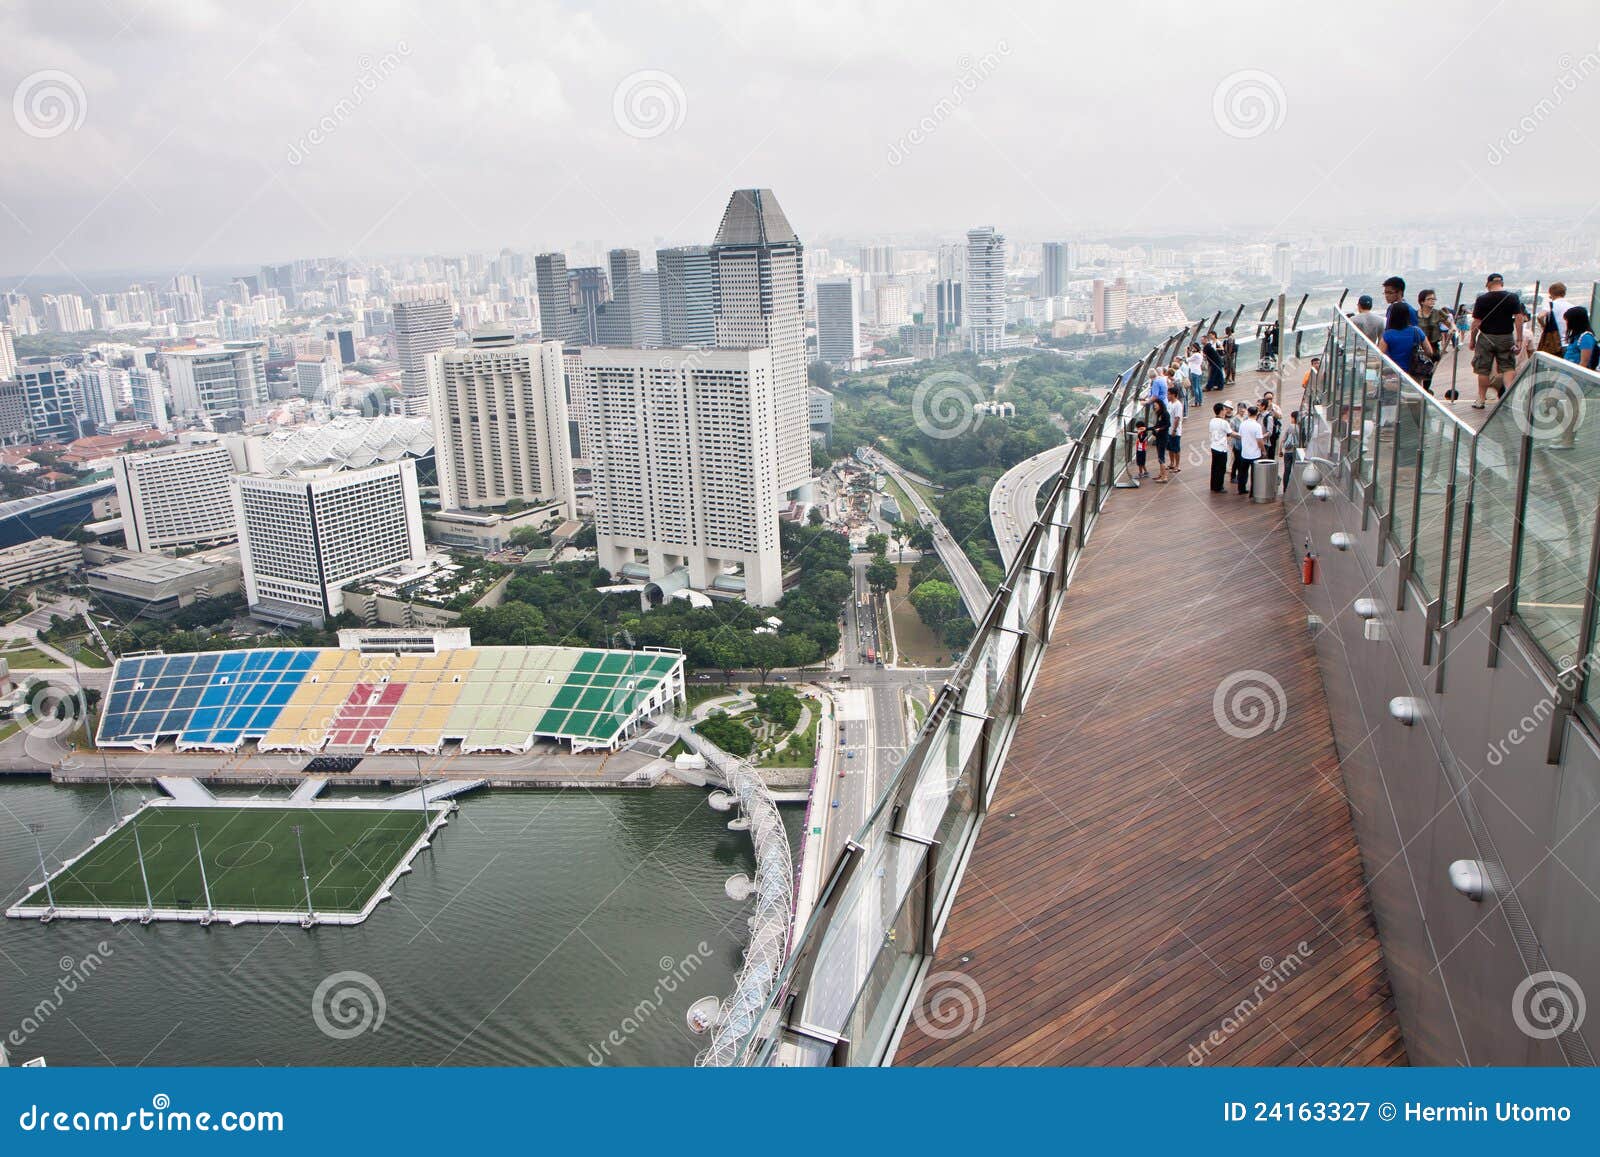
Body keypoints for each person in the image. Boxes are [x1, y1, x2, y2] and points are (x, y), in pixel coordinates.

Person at [1469, 273, 1526, 409]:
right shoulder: (1512, 297)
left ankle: (1481, 399)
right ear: (1502, 283)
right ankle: (1509, 397)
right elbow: (1519, 318)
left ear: (1488, 284)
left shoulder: (1482, 299)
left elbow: (1476, 322)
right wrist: (1519, 339)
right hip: (1506, 336)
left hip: (1486, 337)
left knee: (1483, 369)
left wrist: (1472, 340)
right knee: (1508, 367)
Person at [1379, 301, 1434, 379]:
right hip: (1415, 374)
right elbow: (1429, 352)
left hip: (1395, 374)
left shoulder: (1387, 335)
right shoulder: (1416, 330)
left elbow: (1380, 356)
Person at [1416, 289, 1447, 394]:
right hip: (1419, 347)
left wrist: (1452, 328)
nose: (1432, 301)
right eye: (1429, 299)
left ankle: (1425, 390)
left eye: (1434, 299)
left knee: (1429, 372)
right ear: (1422, 301)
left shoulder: (1438, 313)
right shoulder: (1415, 314)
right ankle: (1420, 391)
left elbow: (1450, 323)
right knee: (1418, 371)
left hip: (1433, 346)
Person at [1236, 404, 1265, 496]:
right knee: (1254, 474)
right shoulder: (1257, 426)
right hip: (1255, 454)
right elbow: (1260, 440)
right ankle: (1253, 492)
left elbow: (1240, 435)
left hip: (1244, 453)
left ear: (1248, 413)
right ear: (1257, 414)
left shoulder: (1243, 424)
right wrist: (1263, 450)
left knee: (1242, 472)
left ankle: (1241, 489)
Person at [1540, 281, 1572, 355]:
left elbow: (1540, 316)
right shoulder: (1571, 306)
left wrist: (1544, 326)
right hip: (1568, 343)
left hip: (1554, 343)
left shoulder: (1550, 305)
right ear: (1564, 293)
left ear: (1551, 294)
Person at [1208, 403, 1232, 493]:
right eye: (1224, 409)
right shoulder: (1224, 422)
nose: (1226, 411)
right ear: (1221, 411)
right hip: (1222, 448)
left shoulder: (1212, 421)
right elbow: (1230, 433)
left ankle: (1213, 485)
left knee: (1214, 467)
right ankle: (1219, 487)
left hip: (1214, 446)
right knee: (1221, 468)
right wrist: (1241, 436)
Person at [1563, 305, 1597, 369]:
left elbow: (1584, 363)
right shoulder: (1576, 336)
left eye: (1567, 320)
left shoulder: (1586, 337)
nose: (1566, 323)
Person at [1150, 397, 1171, 482]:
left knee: (1161, 457)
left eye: (1155, 405)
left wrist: (1160, 429)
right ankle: (1161, 474)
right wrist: (1146, 429)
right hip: (1159, 438)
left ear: (1160, 405)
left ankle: (1164, 477)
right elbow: (1156, 426)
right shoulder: (1159, 414)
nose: (1154, 407)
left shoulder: (1165, 414)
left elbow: (1168, 424)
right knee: (1160, 457)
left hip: (1163, 438)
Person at [1167, 389, 1185, 472]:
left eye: (1169, 394)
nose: (1167, 396)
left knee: (1176, 448)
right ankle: (1172, 463)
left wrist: (1174, 430)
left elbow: (1177, 418)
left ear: (1173, 395)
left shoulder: (1178, 405)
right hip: (1169, 429)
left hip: (1175, 431)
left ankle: (1177, 466)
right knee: (1170, 447)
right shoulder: (1170, 403)